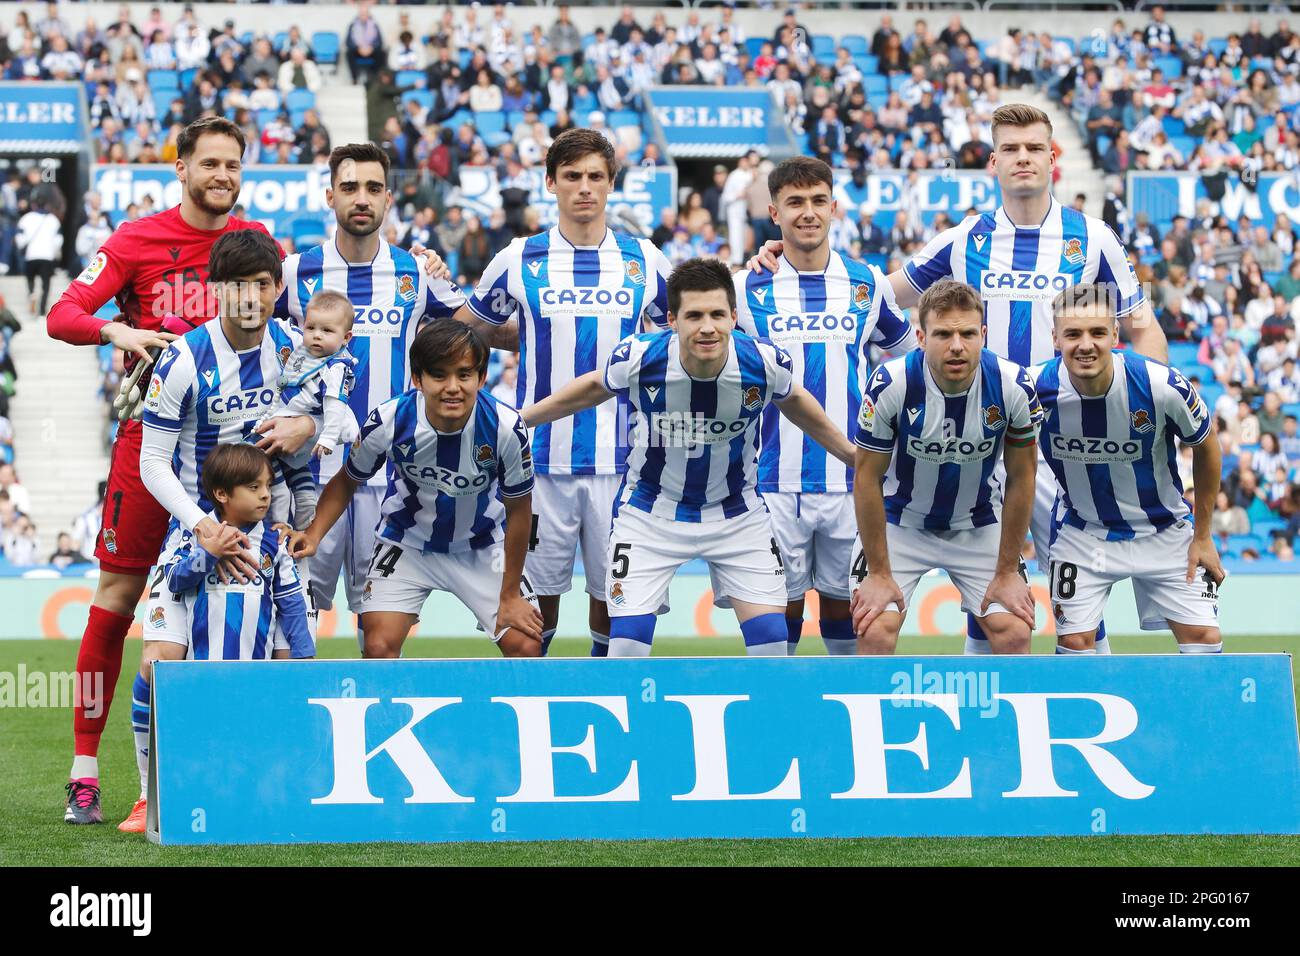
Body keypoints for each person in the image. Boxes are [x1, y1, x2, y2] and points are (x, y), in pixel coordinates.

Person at [753, 102, 1167, 656]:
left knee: (1077, 611)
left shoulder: (1094, 239)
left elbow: (1144, 329)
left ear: (1053, 157)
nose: (1024, 159)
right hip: (979, 442)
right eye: (1011, 150)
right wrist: (794, 259)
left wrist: (1149, 415)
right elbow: (874, 293)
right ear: (993, 162)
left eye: (1034, 148)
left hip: (1064, 446)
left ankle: (1079, 708)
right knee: (995, 606)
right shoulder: (964, 239)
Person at [45, 117, 305, 826]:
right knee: (119, 595)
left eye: (233, 165)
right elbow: (61, 314)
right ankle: (86, 771)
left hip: (231, 460)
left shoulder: (255, 246)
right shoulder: (137, 240)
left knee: (235, 613)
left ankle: (210, 776)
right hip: (150, 449)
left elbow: (299, 340)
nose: (222, 175)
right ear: (182, 170)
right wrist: (117, 330)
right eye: (209, 163)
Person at [523, 257, 856, 657]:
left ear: (734, 317)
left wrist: (851, 455)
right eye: (694, 315)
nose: (707, 327)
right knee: (626, 645)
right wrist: (522, 420)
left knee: (772, 645)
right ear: (672, 319)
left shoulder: (763, 363)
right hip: (650, 513)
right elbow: (594, 386)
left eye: (717, 314)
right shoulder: (640, 357)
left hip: (737, 515)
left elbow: (798, 401)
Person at [453, 128, 673, 657]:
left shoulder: (645, 260)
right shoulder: (517, 258)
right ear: (550, 182)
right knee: (534, 615)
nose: (584, 188)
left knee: (615, 603)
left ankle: (610, 707)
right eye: (571, 176)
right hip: (539, 466)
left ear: (610, 184)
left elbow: (683, 343)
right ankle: (534, 712)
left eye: (595, 176)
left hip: (624, 466)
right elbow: (466, 335)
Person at [123, 229, 312, 833]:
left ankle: (274, 785)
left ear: (277, 289)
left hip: (265, 539)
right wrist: (204, 526)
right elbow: (151, 461)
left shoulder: (291, 348)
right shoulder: (182, 359)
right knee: (160, 666)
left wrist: (305, 423)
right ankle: (148, 795)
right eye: (237, 286)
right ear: (215, 291)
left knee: (277, 664)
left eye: (262, 284)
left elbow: (336, 402)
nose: (251, 297)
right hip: (193, 536)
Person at [276, 142, 465, 637]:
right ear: (330, 196)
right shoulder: (294, 272)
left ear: (388, 199)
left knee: (379, 627)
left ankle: (372, 715)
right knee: (292, 618)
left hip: (390, 480)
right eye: (349, 187)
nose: (361, 198)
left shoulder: (418, 273)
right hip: (308, 476)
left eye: (373, 188)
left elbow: (477, 327)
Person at [734, 157, 916, 655]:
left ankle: (851, 713)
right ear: (774, 212)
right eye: (795, 203)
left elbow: (910, 366)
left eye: (817, 201)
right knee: (779, 613)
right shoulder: (744, 289)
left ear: (834, 208)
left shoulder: (868, 283)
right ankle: (780, 714)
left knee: (850, 609)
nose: (807, 212)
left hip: (854, 480)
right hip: (771, 480)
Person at [288, 322, 542, 659]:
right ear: (418, 378)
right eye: (439, 375)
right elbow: (348, 479)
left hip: (484, 544)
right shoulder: (390, 420)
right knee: (377, 647)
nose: (453, 387)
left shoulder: (507, 428)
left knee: (527, 645)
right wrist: (315, 533)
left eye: (464, 375)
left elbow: (519, 511)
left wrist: (510, 595)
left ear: (481, 379)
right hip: (406, 542)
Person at [127, 443, 314, 836]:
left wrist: (302, 658)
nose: (265, 495)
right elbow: (176, 580)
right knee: (201, 745)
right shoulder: (195, 535)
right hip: (200, 673)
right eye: (253, 487)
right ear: (222, 495)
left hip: (254, 671)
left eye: (267, 485)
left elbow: (292, 603)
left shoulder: (274, 544)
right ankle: (158, 797)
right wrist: (208, 553)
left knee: (252, 740)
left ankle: (266, 802)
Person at [849, 280, 1041, 655]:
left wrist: (1006, 573)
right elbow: (866, 478)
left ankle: (993, 713)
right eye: (942, 334)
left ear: (983, 334)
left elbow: (1022, 478)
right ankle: (880, 714)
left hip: (978, 522)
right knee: (874, 629)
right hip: (898, 525)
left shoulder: (1014, 385)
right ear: (920, 337)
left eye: (968, 333)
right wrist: (879, 573)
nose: (957, 345)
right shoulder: (891, 383)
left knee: (1014, 631)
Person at [1032, 283, 1224, 655]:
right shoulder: (1032, 389)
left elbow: (1207, 445)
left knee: (1205, 641)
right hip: (1082, 532)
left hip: (1165, 530)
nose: (1085, 344)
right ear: (1055, 338)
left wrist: (1203, 536)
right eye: (1073, 334)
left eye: (1097, 333)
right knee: (1073, 643)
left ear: (1115, 335)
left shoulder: (1161, 384)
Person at [261, 290, 357, 528]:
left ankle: (282, 533)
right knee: (302, 493)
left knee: (280, 490)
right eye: (311, 328)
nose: (316, 336)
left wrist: (326, 437)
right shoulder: (303, 352)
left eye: (326, 331)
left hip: (293, 432)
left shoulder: (337, 367)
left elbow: (336, 407)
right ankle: (298, 527)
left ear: (346, 338)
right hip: (286, 424)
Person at [16, 199, 62, 316]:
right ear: (46, 205)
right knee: (46, 283)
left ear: (33, 205)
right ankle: (42, 309)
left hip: (31, 255)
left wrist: (22, 248)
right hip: (47, 255)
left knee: (30, 279)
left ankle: (32, 294)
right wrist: (54, 251)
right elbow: (58, 239)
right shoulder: (53, 219)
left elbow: (19, 236)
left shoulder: (26, 218)